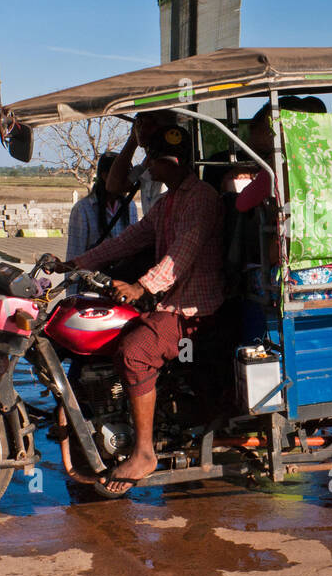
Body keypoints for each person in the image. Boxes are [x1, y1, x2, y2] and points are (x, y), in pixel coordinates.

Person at [55, 125, 224, 493]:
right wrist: (77, 263)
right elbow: (131, 239)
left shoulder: (201, 198)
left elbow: (183, 252)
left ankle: (144, 452)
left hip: (192, 312)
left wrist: (141, 286)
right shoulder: (169, 201)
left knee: (135, 352)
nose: (146, 165)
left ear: (171, 160)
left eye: (151, 157)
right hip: (169, 303)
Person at [104, 110, 181, 217]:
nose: (143, 129)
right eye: (139, 122)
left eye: (153, 123)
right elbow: (114, 186)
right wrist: (132, 139)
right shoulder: (145, 166)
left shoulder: (175, 167)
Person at [65, 152, 136, 262]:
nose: (128, 181)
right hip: (94, 277)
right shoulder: (82, 209)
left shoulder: (130, 206)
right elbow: (75, 254)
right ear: (105, 176)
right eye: (123, 175)